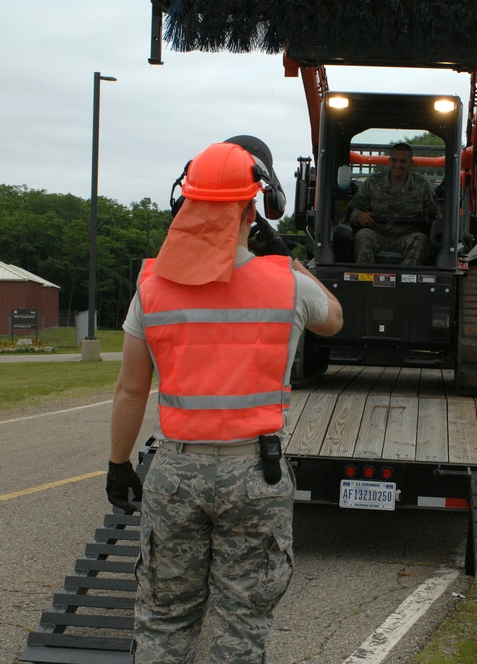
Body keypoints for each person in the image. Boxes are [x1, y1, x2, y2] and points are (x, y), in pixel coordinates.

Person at [105, 137, 343, 663]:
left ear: (185, 203)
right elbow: (334, 317)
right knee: (241, 625)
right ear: (252, 210)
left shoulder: (151, 287)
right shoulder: (286, 285)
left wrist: (119, 463)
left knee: (164, 619)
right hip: (255, 473)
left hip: (175, 473)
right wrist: (289, 262)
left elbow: (131, 388)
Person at [349, 142, 440, 265]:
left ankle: (406, 276)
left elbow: (436, 214)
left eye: (402, 161)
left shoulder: (422, 186)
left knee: (420, 240)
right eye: (394, 160)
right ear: (389, 161)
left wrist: (431, 217)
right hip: (378, 234)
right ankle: (365, 275)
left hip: (407, 236)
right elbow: (351, 211)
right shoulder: (372, 183)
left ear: (410, 163)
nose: (397, 165)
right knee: (362, 236)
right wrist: (359, 215)